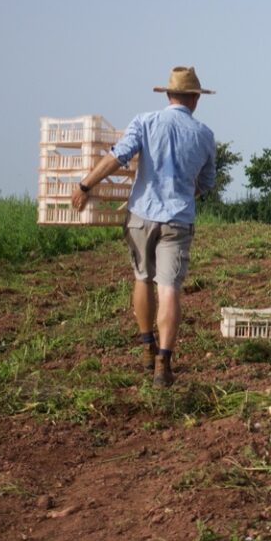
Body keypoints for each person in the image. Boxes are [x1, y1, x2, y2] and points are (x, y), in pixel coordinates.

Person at [71, 66, 217, 386]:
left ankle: (147, 346)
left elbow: (117, 157)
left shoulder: (145, 121)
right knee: (169, 290)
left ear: (168, 95)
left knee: (142, 278)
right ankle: (164, 363)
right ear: (195, 99)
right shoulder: (204, 135)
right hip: (178, 219)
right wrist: (181, 193)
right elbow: (204, 183)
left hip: (141, 215)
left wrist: (85, 186)